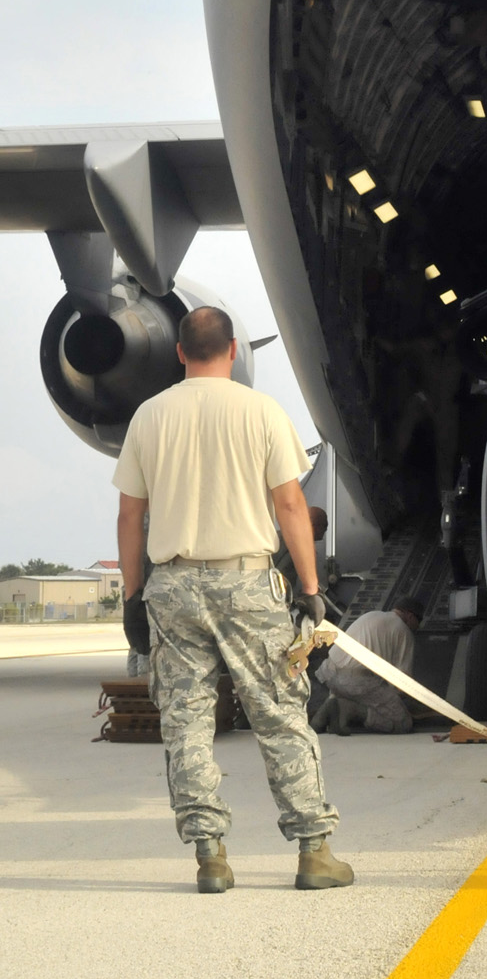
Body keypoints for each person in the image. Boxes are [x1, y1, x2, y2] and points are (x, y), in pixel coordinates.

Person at [114, 304, 352, 895]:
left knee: (187, 721)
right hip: (247, 583)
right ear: (233, 352)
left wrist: (133, 595)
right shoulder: (262, 411)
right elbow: (292, 506)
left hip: (171, 586)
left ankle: (210, 856)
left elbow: (129, 514)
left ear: (179, 353)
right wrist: (311, 588)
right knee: (278, 714)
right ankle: (313, 853)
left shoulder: (149, 416)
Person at [311, 598, 425, 735]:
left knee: (364, 695)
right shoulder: (403, 630)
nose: (417, 627)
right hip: (356, 680)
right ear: (411, 616)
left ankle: (322, 716)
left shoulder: (371, 615)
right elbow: (401, 684)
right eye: (418, 622)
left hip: (330, 672)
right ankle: (348, 710)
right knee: (402, 722)